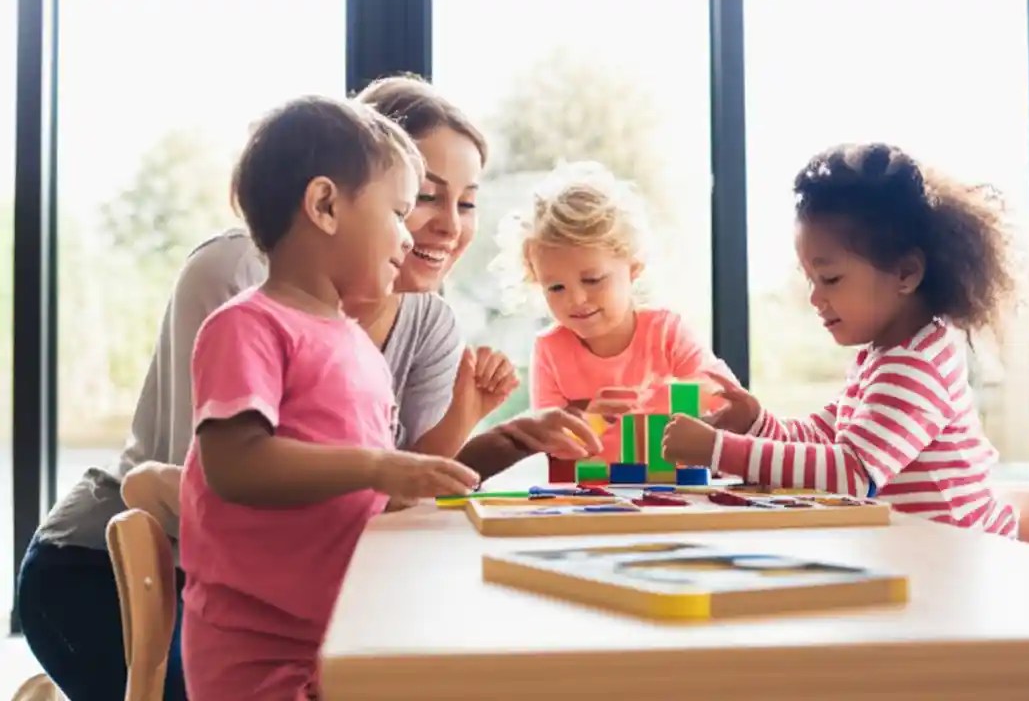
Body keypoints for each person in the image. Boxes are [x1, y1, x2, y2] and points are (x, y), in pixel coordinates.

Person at [17, 75, 601, 701]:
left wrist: (503, 434)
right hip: (116, 568)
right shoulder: (243, 293)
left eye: (466, 203)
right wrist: (377, 474)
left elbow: (400, 485)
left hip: (300, 602)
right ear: (326, 203)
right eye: (415, 201)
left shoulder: (411, 325)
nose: (436, 230)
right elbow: (214, 484)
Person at [179, 93, 485, 699]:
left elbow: (373, 491)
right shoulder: (247, 325)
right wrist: (377, 466)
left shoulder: (351, 342)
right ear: (324, 205)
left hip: (345, 628)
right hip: (261, 647)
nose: (408, 236)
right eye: (399, 212)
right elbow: (234, 463)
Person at [662, 142, 1029, 536]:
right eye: (810, 280)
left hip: (958, 568)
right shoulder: (887, 358)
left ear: (906, 273)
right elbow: (823, 438)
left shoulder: (916, 367)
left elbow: (851, 473)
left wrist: (717, 449)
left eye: (831, 279)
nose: (815, 298)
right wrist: (756, 424)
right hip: (918, 563)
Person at [494, 160, 734, 463]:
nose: (576, 299)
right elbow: (549, 443)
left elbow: (730, 398)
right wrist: (592, 419)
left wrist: (678, 396)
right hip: (587, 497)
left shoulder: (665, 331)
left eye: (592, 280)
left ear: (633, 269)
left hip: (669, 488)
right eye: (556, 288)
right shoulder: (550, 350)